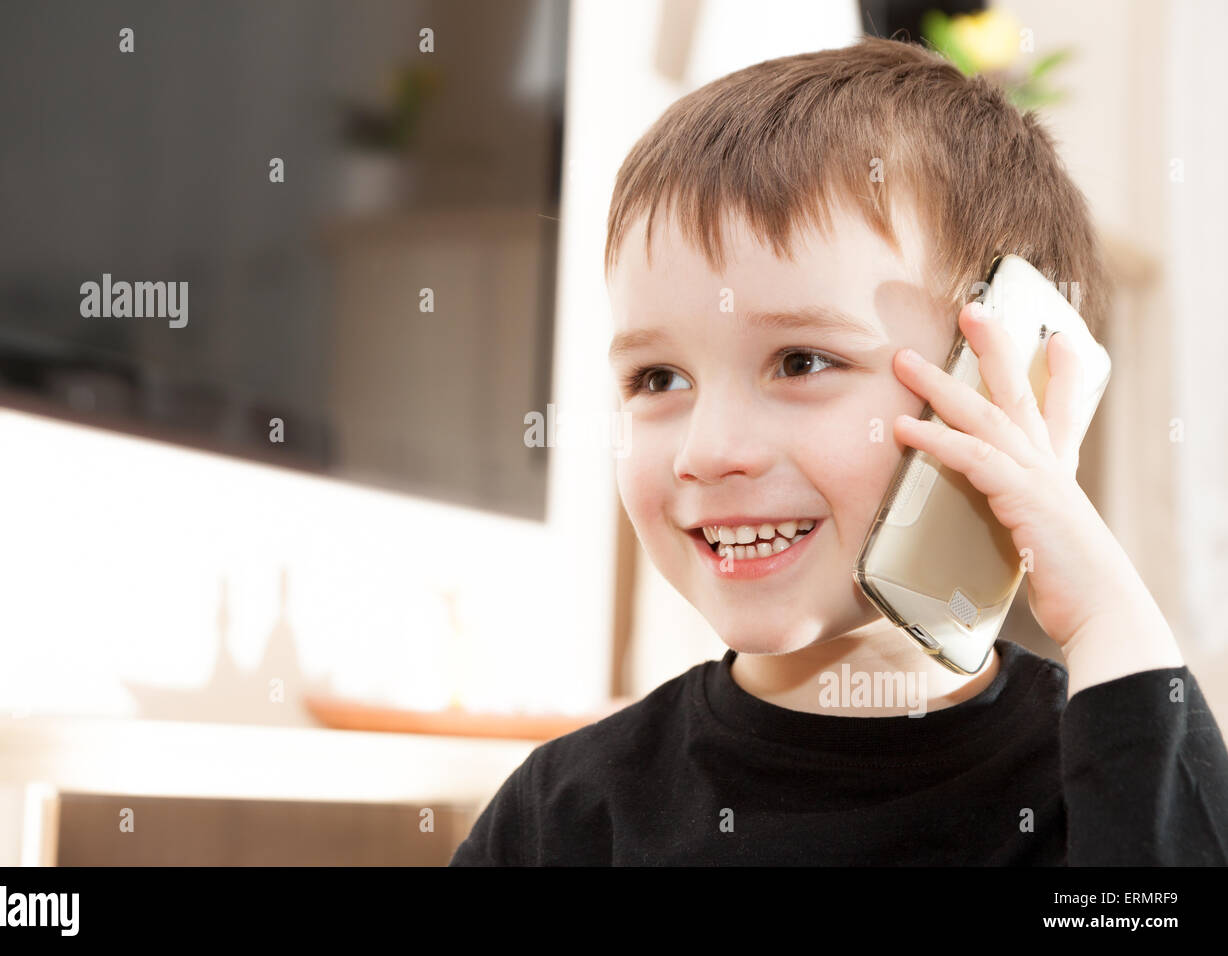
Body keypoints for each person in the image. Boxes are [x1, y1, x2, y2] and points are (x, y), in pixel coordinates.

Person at [449, 36, 1228, 865]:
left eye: (802, 362)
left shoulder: (1103, 786)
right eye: (657, 378)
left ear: (1012, 394)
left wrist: (1112, 617)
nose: (708, 453)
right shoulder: (563, 815)